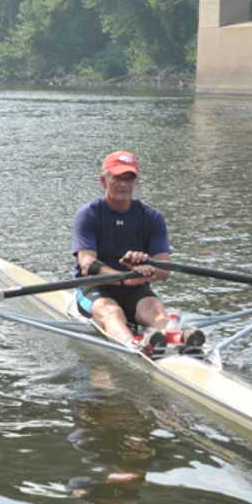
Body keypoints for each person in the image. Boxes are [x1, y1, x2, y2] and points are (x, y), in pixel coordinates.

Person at [72, 150, 202, 356]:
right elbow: (87, 264)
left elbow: (164, 270)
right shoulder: (89, 215)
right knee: (111, 311)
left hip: (135, 289)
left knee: (155, 309)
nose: (123, 184)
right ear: (103, 180)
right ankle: (134, 346)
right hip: (94, 288)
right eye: (117, 178)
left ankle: (179, 340)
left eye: (129, 178)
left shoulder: (152, 218)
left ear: (135, 182)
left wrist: (147, 267)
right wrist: (124, 278)